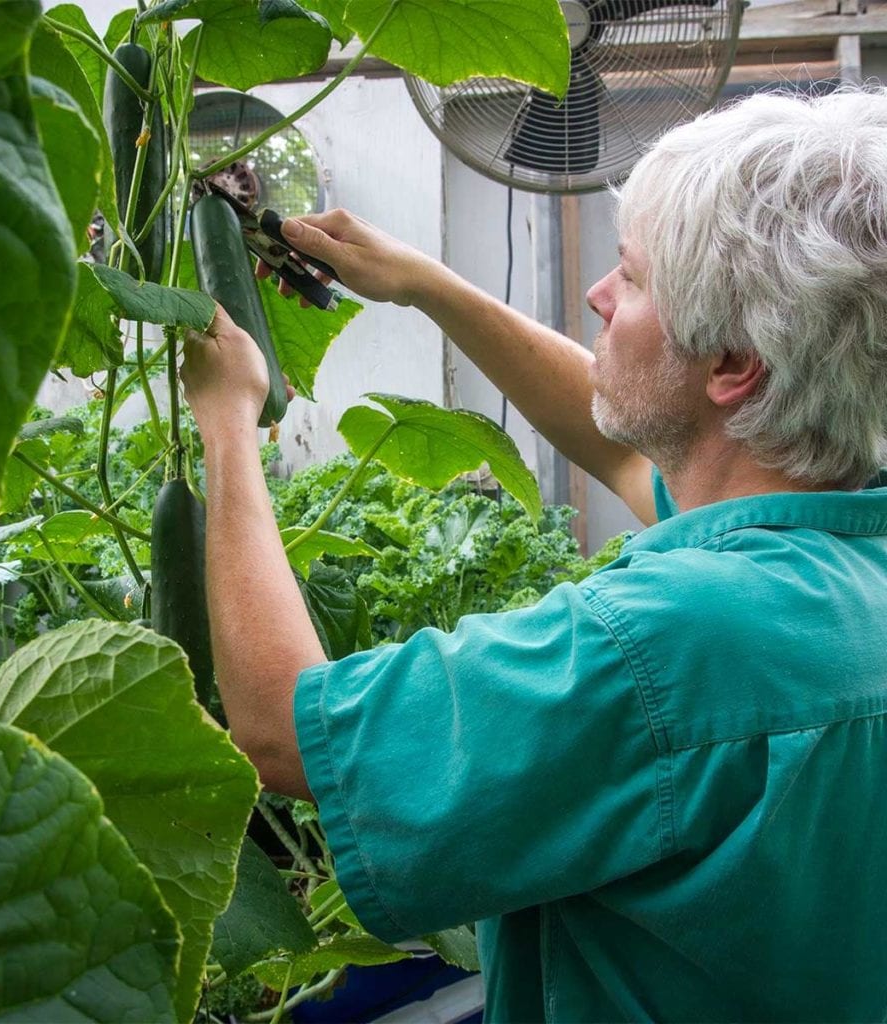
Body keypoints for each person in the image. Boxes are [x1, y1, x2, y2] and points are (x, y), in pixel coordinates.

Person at [180, 86, 887, 1021]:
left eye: (631, 277)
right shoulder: (841, 566)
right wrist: (426, 285)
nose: (599, 294)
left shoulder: (656, 647)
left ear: (730, 365)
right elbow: (621, 450)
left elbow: (281, 731)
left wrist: (228, 427)